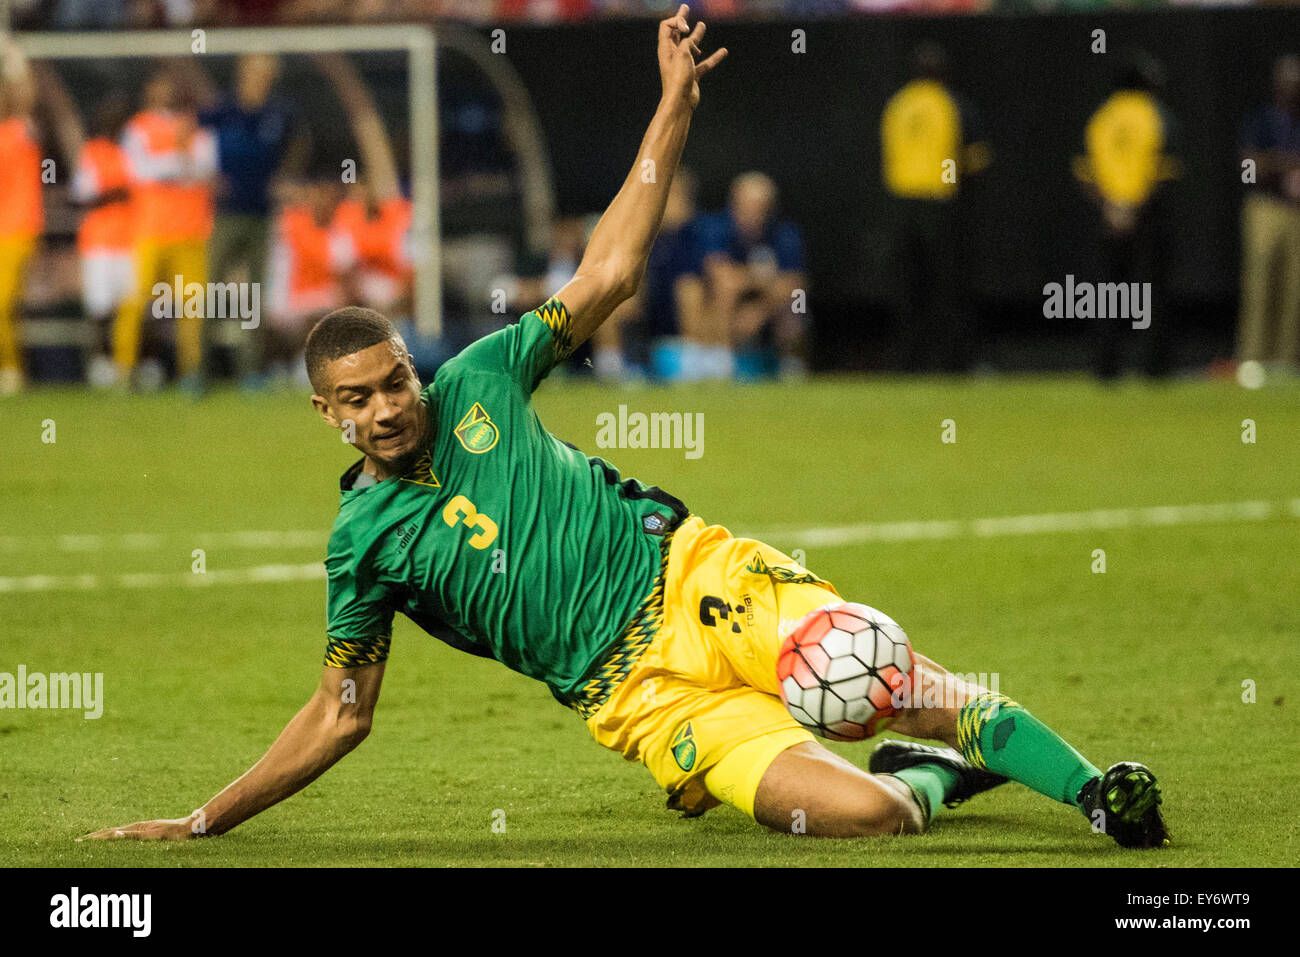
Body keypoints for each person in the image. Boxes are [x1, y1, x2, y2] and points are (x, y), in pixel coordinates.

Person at [85, 8, 1167, 848]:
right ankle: (935, 776)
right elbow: (340, 713)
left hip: (694, 576)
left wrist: (673, 106)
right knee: (868, 819)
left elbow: (605, 273)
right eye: (358, 398)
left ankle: (1094, 792)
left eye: (394, 381)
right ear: (326, 412)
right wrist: (203, 820)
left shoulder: (480, 381)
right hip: (635, 697)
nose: (388, 406)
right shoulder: (361, 551)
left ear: (413, 370)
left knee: (879, 669)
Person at [881, 41, 989, 374]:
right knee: (949, 287)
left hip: (902, 206)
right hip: (941, 206)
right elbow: (975, 158)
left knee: (910, 288)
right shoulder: (951, 104)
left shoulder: (898, 104)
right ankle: (954, 362)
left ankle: (909, 362)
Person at [1073, 50, 1180, 380]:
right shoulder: (1157, 115)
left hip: (1108, 218)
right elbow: (1165, 174)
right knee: (1153, 293)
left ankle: (1107, 367)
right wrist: (1134, 209)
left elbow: (1084, 172)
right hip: (1148, 217)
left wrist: (1110, 208)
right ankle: (1155, 366)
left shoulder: (1102, 117)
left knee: (1108, 294)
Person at [113, 69, 218, 390]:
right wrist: (178, 160)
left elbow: (206, 169)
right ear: (149, 92)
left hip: (191, 231)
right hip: (151, 230)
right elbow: (137, 171)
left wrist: (172, 165)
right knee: (136, 300)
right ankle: (124, 368)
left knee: (192, 307)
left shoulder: (197, 127)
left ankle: (192, 372)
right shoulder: (138, 128)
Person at [696, 171, 808, 380]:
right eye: (749, 205)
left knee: (797, 298)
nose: (755, 212)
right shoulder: (716, 227)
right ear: (735, 202)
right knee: (726, 289)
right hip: (726, 306)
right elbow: (721, 275)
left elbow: (795, 281)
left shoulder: (784, 233)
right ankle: (723, 361)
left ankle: (792, 363)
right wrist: (761, 278)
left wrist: (760, 311)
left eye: (762, 206)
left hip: (769, 307)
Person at [1236, 54, 1300, 389]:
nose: (1293, 90)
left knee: (1296, 288)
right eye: (1288, 84)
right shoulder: (1262, 119)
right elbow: (1248, 166)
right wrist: (1286, 168)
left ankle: (1288, 361)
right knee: (1260, 284)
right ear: (1278, 86)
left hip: (1297, 213)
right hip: (1266, 207)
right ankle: (1252, 359)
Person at [71, 96, 135, 388]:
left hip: (130, 238)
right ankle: (99, 364)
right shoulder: (93, 151)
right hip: (99, 241)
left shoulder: (131, 151)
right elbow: (82, 193)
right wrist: (116, 192)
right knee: (99, 307)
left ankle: (129, 364)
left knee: (130, 306)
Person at [0, 49, 43, 396]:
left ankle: (12, 371)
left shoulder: (20, 131)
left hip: (16, 229)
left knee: (2, 304)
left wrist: (13, 57)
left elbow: (26, 97)